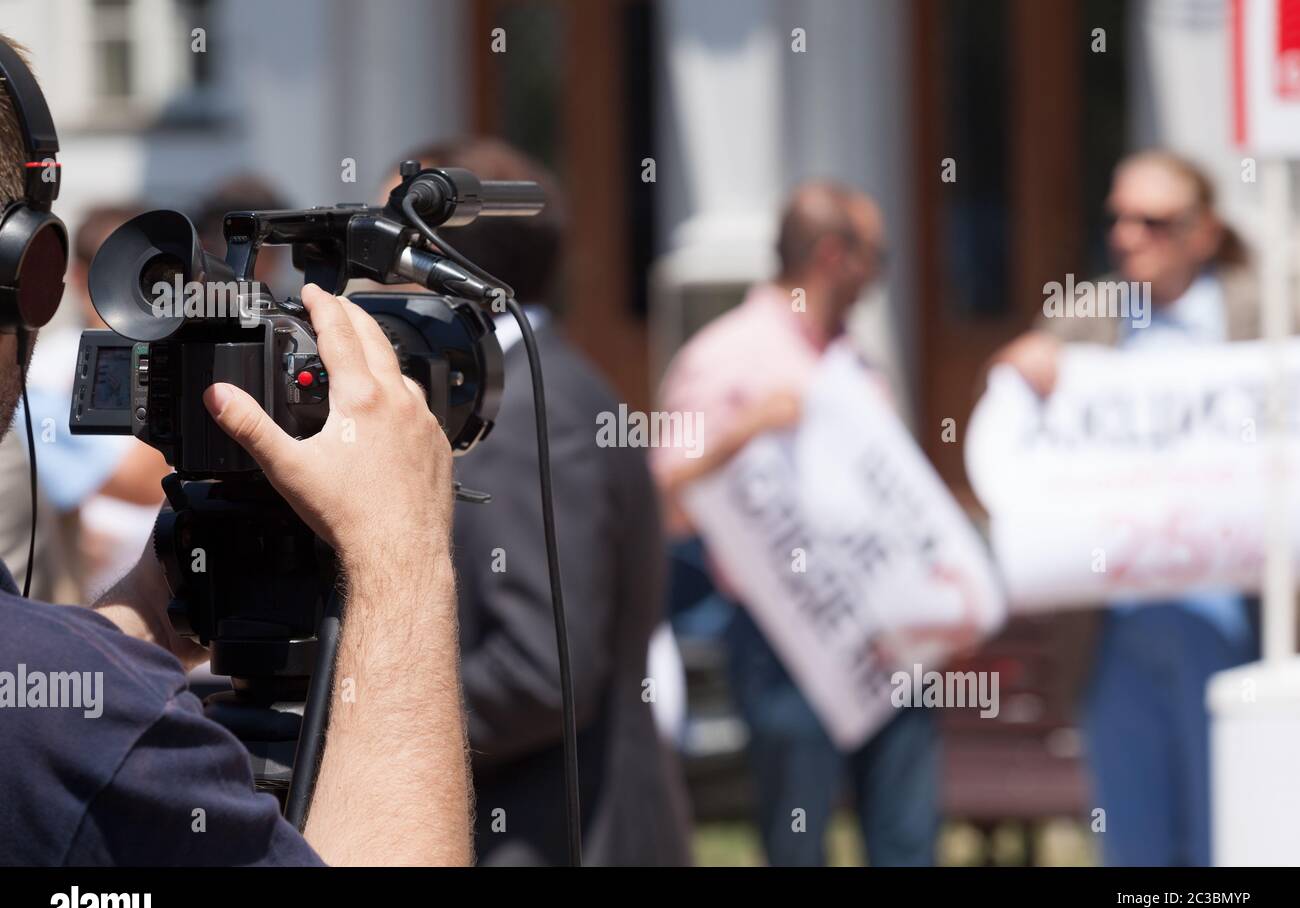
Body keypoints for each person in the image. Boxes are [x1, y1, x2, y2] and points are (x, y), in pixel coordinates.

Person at [0, 34, 471, 865]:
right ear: (28, 271)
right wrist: (400, 560)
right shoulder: (89, 735)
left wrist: (151, 607)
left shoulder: (58, 718)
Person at [382, 139, 693, 865]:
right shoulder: (528, 388)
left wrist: (371, 722)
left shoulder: (525, 410)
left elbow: (540, 667)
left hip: (547, 835)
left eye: (380, 247)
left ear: (437, 262)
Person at [991, 150, 1280, 866]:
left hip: (1241, 629)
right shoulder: (1086, 317)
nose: (1127, 237)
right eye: (1118, 218)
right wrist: (1017, 372)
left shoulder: (1269, 308)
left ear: (1203, 232)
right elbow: (1014, 429)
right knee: (1137, 851)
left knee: (1240, 838)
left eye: (1151, 221)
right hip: (1115, 636)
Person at [654, 180, 941, 866]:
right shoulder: (725, 355)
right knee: (796, 843)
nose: (880, 275)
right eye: (879, 255)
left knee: (907, 840)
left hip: (887, 630)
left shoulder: (855, 358)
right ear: (835, 254)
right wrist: (742, 435)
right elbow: (664, 499)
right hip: (786, 634)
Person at [17, 202, 172, 599]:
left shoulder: (177, 353)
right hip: (93, 606)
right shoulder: (48, 369)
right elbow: (139, 480)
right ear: (84, 278)